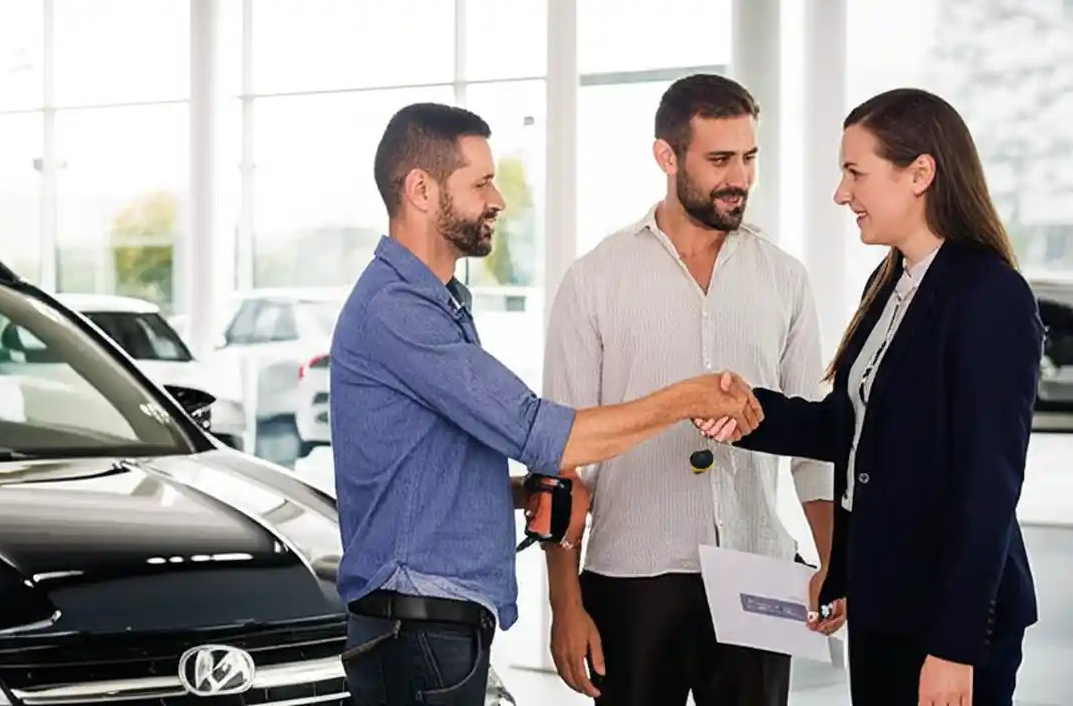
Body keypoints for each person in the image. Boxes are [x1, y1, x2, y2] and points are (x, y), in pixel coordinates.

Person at [331, 101, 765, 706]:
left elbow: (427, 469)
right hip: (419, 632)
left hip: (432, 629)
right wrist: (689, 396)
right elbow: (541, 432)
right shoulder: (398, 313)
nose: (498, 199)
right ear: (422, 190)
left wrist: (519, 493)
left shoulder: (436, 306)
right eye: (481, 182)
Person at [699, 87, 1042, 705]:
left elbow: (987, 488)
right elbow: (853, 428)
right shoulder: (889, 282)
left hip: (949, 624)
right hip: (887, 606)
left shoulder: (990, 296)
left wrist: (955, 647)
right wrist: (748, 412)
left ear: (920, 173)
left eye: (855, 172)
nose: (841, 193)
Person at [542, 73, 835, 706]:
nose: (741, 177)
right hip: (632, 574)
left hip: (759, 567)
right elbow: (560, 457)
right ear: (667, 157)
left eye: (750, 157)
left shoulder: (785, 278)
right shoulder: (595, 279)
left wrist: (833, 560)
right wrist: (564, 602)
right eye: (721, 159)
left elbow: (815, 442)